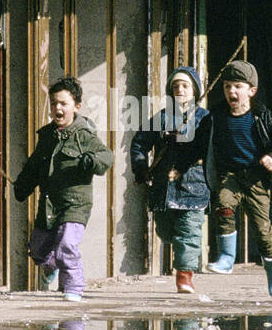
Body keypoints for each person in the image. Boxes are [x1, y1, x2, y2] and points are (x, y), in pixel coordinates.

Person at [13, 77, 113, 301]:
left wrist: (91, 161)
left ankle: (73, 288)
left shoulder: (84, 135)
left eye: (63, 104)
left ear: (76, 106)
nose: (58, 108)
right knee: (37, 249)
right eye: (54, 103)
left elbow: (106, 156)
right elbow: (34, 165)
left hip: (75, 203)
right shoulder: (46, 136)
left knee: (66, 244)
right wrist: (23, 185)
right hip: (49, 204)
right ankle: (51, 265)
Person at [206, 60, 272, 299]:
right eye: (226, 86)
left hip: (256, 178)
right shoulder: (215, 116)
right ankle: (226, 257)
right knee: (223, 206)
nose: (231, 92)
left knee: (262, 230)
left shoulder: (264, 117)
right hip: (230, 175)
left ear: (251, 90)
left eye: (237, 86)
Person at [129, 67, 212, 294]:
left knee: (189, 231)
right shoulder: (161, 118)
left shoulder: (205, 120)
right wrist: (141, 168)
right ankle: (184, 259)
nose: (180, 90)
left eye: (185, 86)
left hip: (193, 187)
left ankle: (184, 276)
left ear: (194, 90)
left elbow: (210, 149)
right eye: (176, 86)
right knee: (166, 233)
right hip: (164, 188)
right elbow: (139, 145)